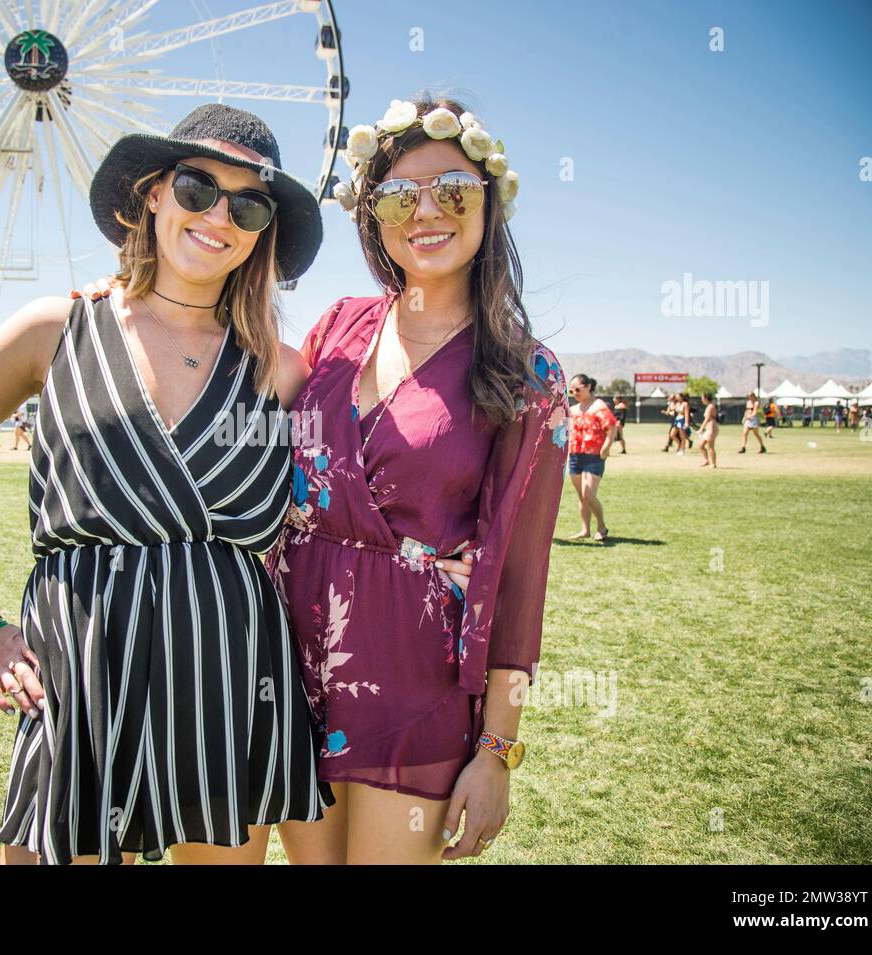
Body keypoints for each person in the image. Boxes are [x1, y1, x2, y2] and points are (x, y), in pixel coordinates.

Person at [0, 104, 338, 865]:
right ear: (154, 193)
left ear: (263, 230)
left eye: (248, 204)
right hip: (80, 674)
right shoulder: (55, 330)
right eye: (197, 187)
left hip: (229, 678)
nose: (219, 215)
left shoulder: (281, 370)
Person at [264, 95, 568, 863]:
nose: (426, 211)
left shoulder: (528, 376)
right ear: (374, 214)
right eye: (399, 194)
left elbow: (521, 583)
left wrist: (497, 749)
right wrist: (127, 302)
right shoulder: (335, 325)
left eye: (454, 190)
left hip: (418, 686)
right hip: (291, 665)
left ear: (489, 207)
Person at [564, 374, 615, 539]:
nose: (574, 393)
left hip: (593, 457)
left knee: (588, 494)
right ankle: (585, 529)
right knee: (582, 496)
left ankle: (602, 527)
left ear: (588, 387)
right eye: (571, 391)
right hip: (575, 456)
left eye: (577, 389)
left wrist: (606, 447)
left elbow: (611, 427)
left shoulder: (598, 406)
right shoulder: (573, 410)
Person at [696, 392, 719, 468]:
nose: (701, 399)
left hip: (712, 428)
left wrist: (701, 429)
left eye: (702, 397)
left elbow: (707, 418)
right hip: (709, 428)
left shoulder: (711, 406)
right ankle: (706, 461)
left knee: (710, 446)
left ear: (706, 398)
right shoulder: (709, 406)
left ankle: (713, 464)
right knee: (700, 445)